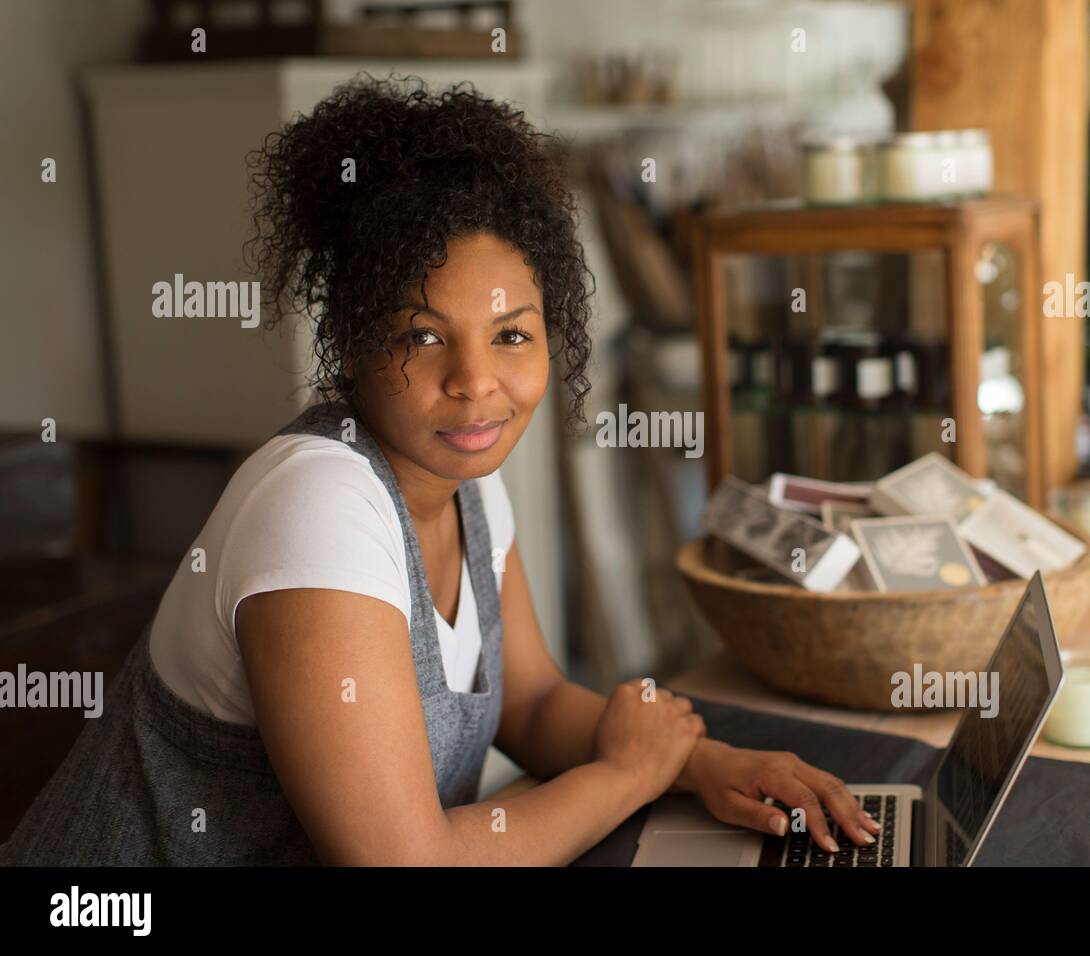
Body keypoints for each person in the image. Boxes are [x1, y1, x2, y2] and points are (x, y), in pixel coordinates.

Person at [0, 76, 880, 865]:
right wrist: (628, 776)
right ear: (351, 345)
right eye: (423, 338)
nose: (475, 384)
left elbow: (529, 703)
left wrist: (707, 765)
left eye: (511, 336)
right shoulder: (318, 504)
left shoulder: (471, 488)